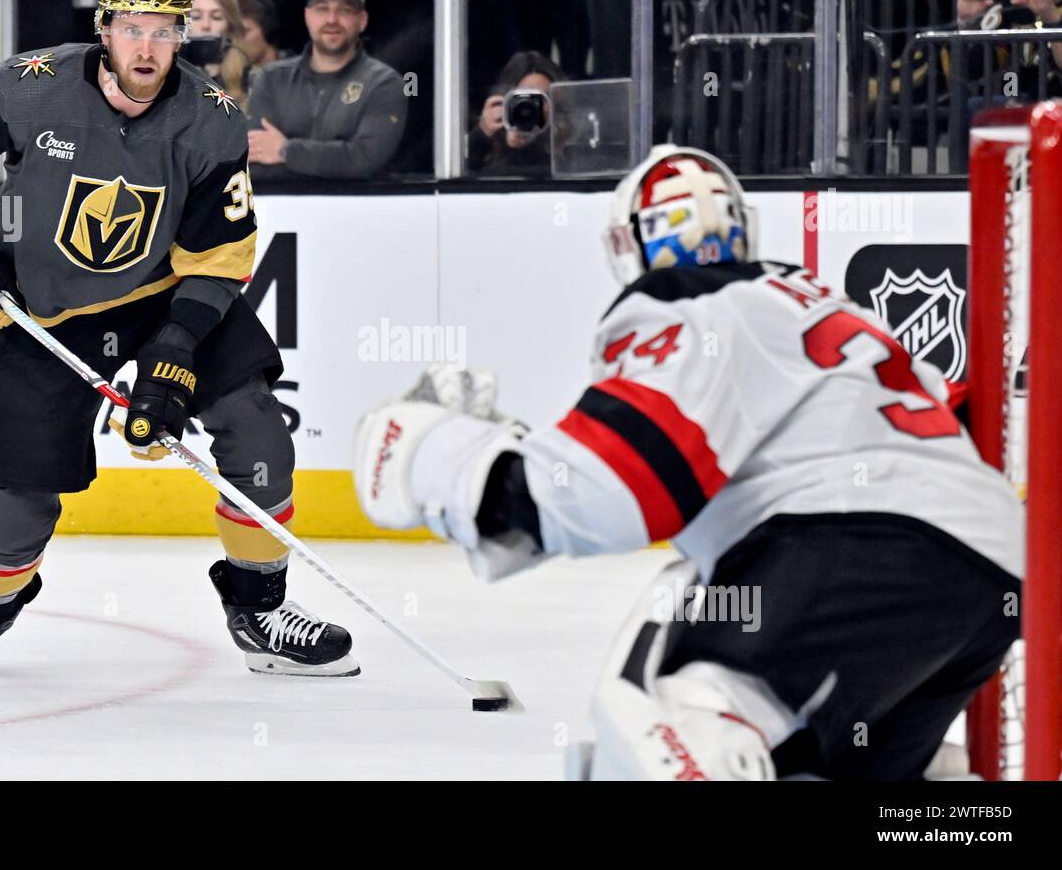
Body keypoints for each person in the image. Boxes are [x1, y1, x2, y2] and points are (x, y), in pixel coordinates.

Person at [354, 145, 1022, 780]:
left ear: (630, 241)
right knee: (820, 766)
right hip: (985, 578)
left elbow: (619, 485)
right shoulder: (819, 303)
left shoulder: (684, 297)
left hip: (855, 545)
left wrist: (438, 460)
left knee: (681, 719)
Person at [0, 0, 357, 678]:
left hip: (165, 291)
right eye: (132, 28)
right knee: (21, 495)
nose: (147, 48)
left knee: (255, 421)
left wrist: (175, 347)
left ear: (182, 37)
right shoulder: (28, 86)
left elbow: (221, 255)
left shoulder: (213, 120)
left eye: (164, 31)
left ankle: (259, 607)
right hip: (47, 310)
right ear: (104, 29)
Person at [246, 0, 406, 180]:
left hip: (358, 212)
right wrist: (335, 161)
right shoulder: (271, 79)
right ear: (307, 16)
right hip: (281, 212)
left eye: (345, 10)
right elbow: (257, 162)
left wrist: (286, 151)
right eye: (322, 8)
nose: (332, 19)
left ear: (362, 20)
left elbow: (365, 160)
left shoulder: (384, 83)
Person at [466, 50, 565, 177]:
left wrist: (524, 147)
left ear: (558, 102)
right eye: (525, 98)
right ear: (505, 102)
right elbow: (465, 179)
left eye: (542, 97)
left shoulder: (571, 145)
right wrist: (481, 135)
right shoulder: (491, 142)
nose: (531, 107)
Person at [183, 0, 252, 109]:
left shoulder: (251, 77)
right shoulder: (171, 73)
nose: (206, 25)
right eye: (196, 17)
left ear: (230, 27)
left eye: (216, 17)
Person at [238, 0, 286, 76]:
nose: (236, 40)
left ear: (267, 31)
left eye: (244, 32)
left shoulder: (296, 75)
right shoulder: (231, 78)